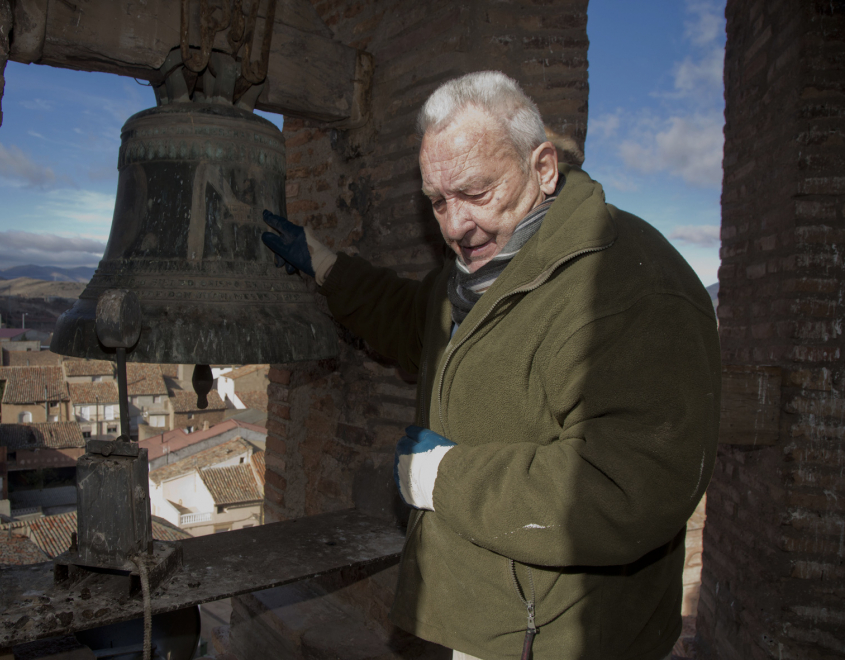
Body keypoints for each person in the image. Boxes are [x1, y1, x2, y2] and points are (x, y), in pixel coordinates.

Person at [261, 71, 720, 660]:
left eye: (476, 192)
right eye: (437, 202)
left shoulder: (633, 287)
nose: (454, 226)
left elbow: (627, 486)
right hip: (484, 626)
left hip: (561, 641)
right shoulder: (479, 273)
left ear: (543, 168)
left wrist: (442, 478)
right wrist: (323, 264)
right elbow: (409, 319)